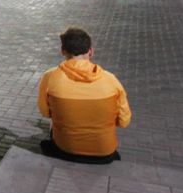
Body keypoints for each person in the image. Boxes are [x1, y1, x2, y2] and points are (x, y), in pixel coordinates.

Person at [37, 27, 131, 164]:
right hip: (104, 153)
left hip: (65, 149)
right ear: (91, 51)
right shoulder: (111, 80)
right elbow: (124, 122)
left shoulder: (50, 76)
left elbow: (45, 113)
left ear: (63, 51)